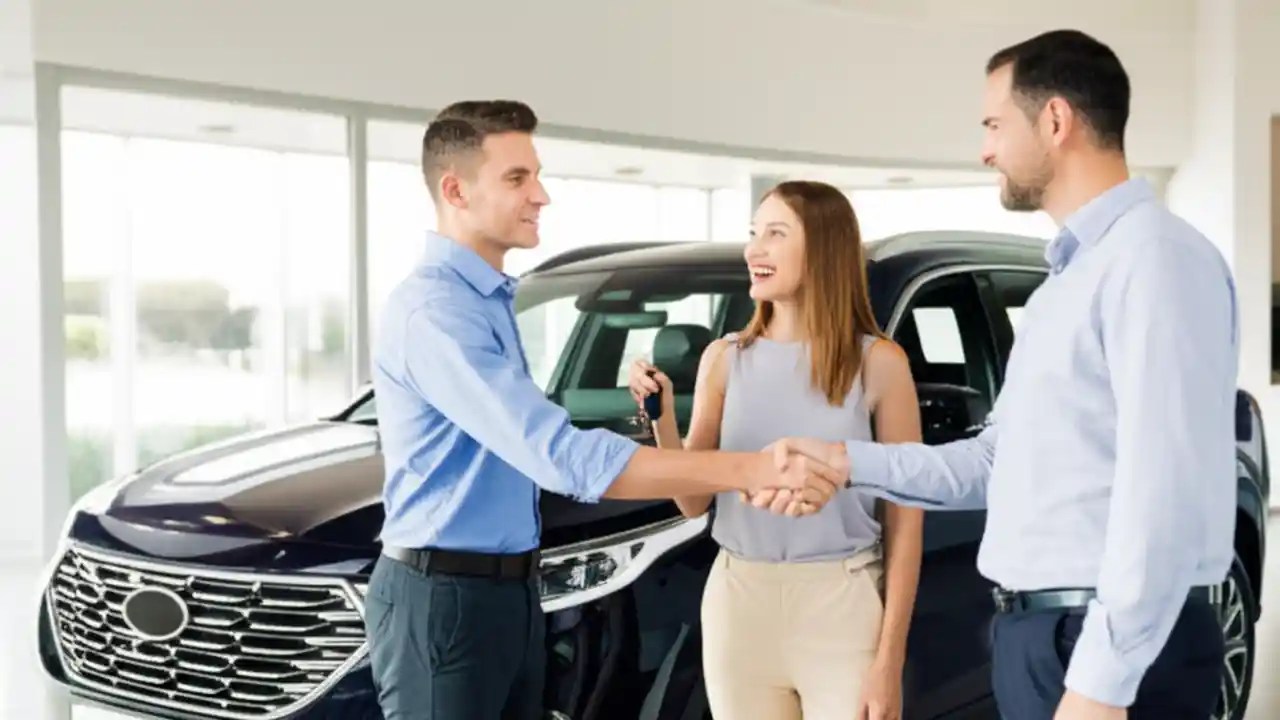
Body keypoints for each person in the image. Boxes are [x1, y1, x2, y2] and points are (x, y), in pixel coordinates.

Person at [761, 30, 1238, 720]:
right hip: (1042, 638)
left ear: (1054, 120)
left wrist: (1101, 683)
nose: (985, 149)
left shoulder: (1155, 259)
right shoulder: (1064, 285)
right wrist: (842, 460)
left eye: (993, 124)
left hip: (1104, 649)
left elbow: (1163, 486)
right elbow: (994, 461)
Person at [364, 100, 847, 720]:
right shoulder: (437, 312)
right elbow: (561, 457)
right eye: (517, 178)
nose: (541, 195)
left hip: (504, 595)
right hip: (447, 600)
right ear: (455, 190)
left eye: (535, 174)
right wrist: (751, 470)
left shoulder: (484, 301)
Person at [628, 180, 924, 720]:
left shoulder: (880, 363)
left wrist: (889, 660)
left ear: (823, 249)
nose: (753, 249)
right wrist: (664, 418)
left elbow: (907, 523)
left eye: (774, 234)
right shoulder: (724, 359)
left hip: (842, 600)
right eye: (752, 233)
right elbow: (694, 503)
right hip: (740, 600)